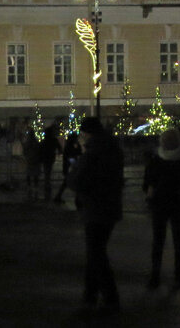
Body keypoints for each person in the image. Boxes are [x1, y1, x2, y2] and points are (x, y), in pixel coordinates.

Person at [67, 117, 124, 313]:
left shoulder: (92, 153)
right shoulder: (113, 149)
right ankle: (90, 293)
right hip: (110, 206)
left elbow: (77, 180)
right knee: (95, 252)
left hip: (95, 208)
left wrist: (74, 168)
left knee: (96, 253)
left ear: (87, 133)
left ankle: (110, 296)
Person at [142, 127, 180, 289]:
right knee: (178, 240)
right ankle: (178, 275)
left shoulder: (156, 160)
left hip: (159, 203)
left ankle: (155, 275)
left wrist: (151, 192)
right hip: (179, 203)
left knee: (158, 241)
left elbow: (147, 182)